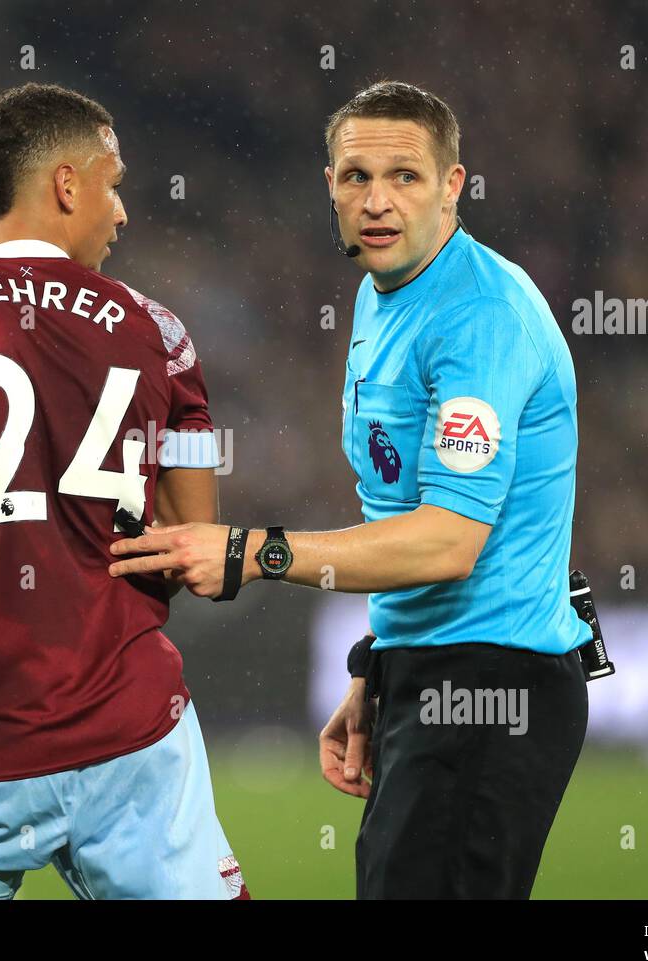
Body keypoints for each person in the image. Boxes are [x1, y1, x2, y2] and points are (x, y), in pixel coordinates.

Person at [107, 81, 590, 899]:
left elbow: (448, 540)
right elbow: (395, 510)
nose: (377, 200)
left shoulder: (479, 317)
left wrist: (255, 551)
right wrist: (377, 667)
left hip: (491, 689)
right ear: (328, 185)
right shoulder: (385, 290)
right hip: (433, 671)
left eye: (404, 176)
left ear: (453, 185)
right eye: (355, 176)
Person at [0, 82, 247, 900]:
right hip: (130, 737)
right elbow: (192, 546)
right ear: (67, 184)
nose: (123, 210)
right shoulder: (158, 332)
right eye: (114, 180)